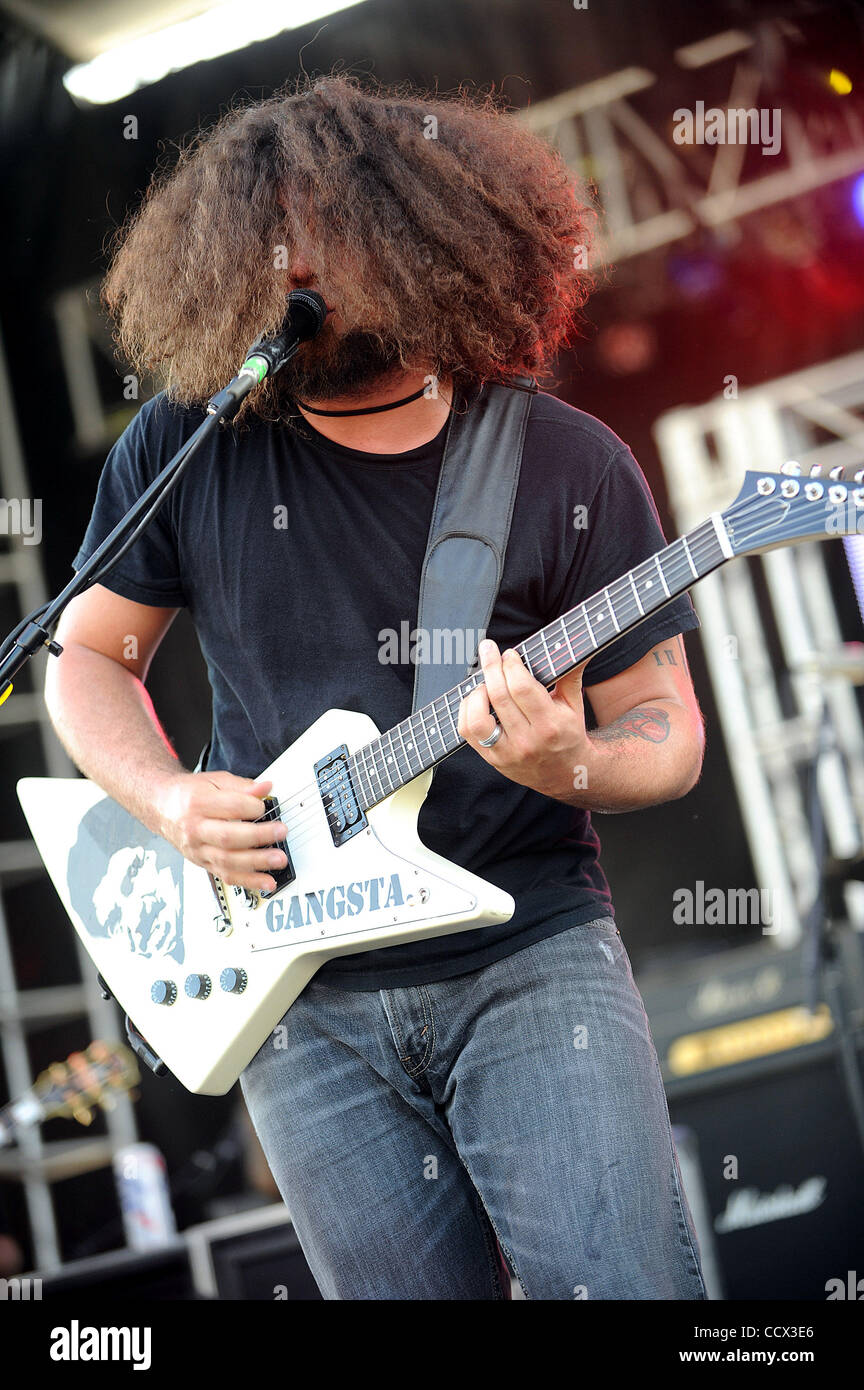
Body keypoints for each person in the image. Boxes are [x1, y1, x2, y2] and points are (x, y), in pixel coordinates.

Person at [45, 75, 707, 1300]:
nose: (291, 264)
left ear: (421, 233)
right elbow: (87, 657)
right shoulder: (189, 445)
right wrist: (167, 802)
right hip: (298, 1000)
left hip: (528, 958)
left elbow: (664, 731)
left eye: (321, 233)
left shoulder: (566, 461)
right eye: (268, 241)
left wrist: (568, 761)